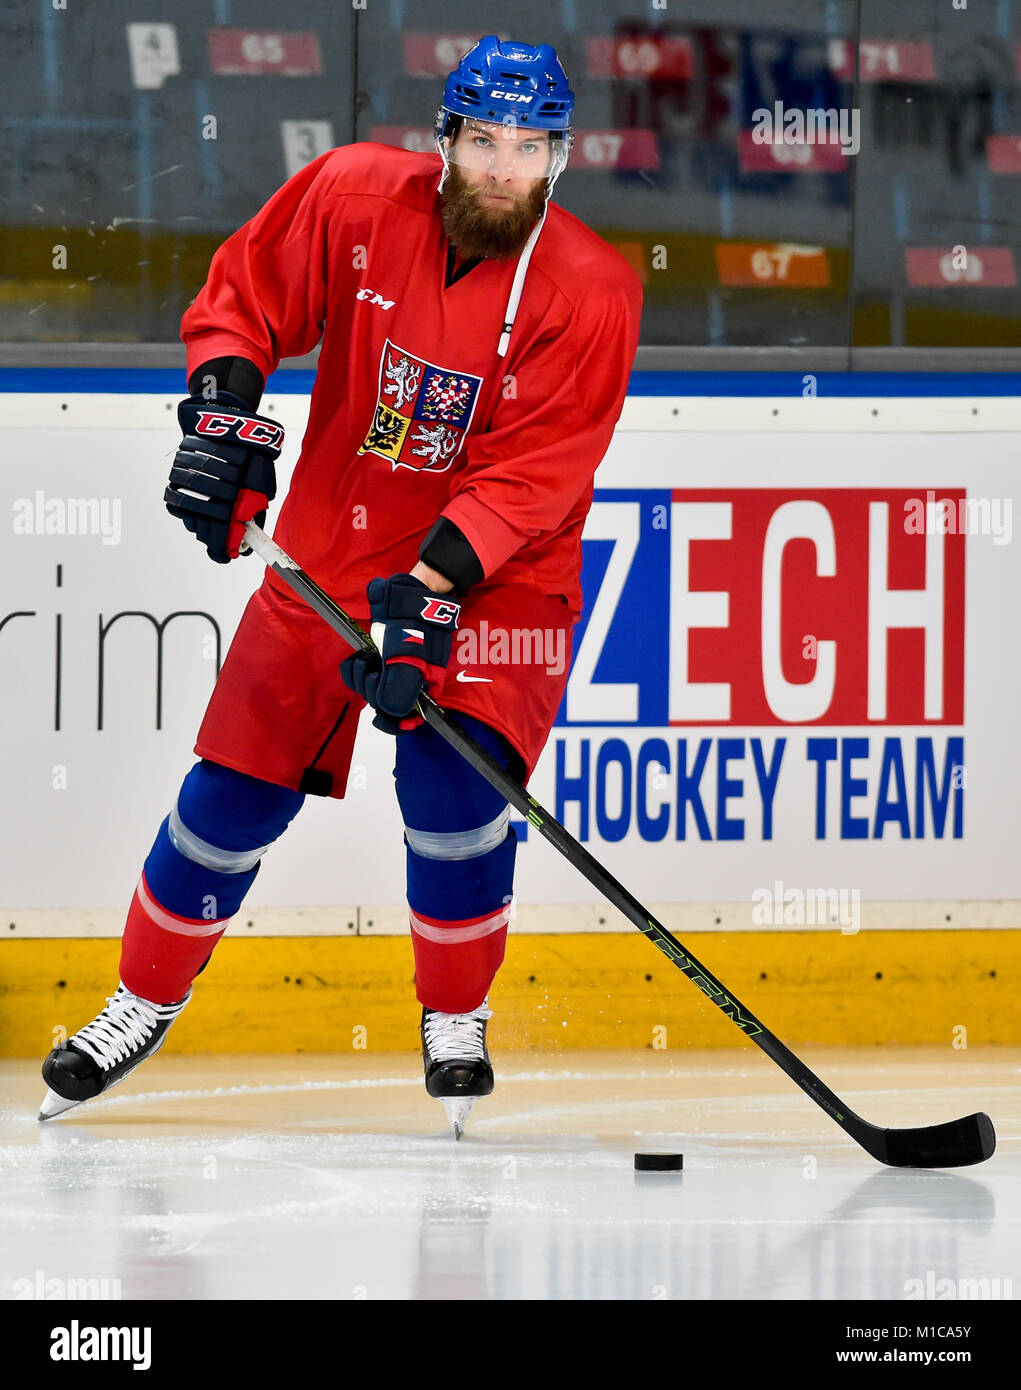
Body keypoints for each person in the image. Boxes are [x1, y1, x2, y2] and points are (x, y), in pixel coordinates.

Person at [39, 35, 642, 1136]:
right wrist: (223, 420)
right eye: (483, 142)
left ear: (557, 160)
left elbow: (530, 478)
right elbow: (247, 295)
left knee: (455, 797)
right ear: (446, 140)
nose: (502, 167)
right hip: (331, 545)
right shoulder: (356, 192)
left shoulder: (591, 291)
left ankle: (454, 1014)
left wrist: (429, 601)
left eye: (528, 148)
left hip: (500, 577)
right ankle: (140, 1001)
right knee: (234, 790)